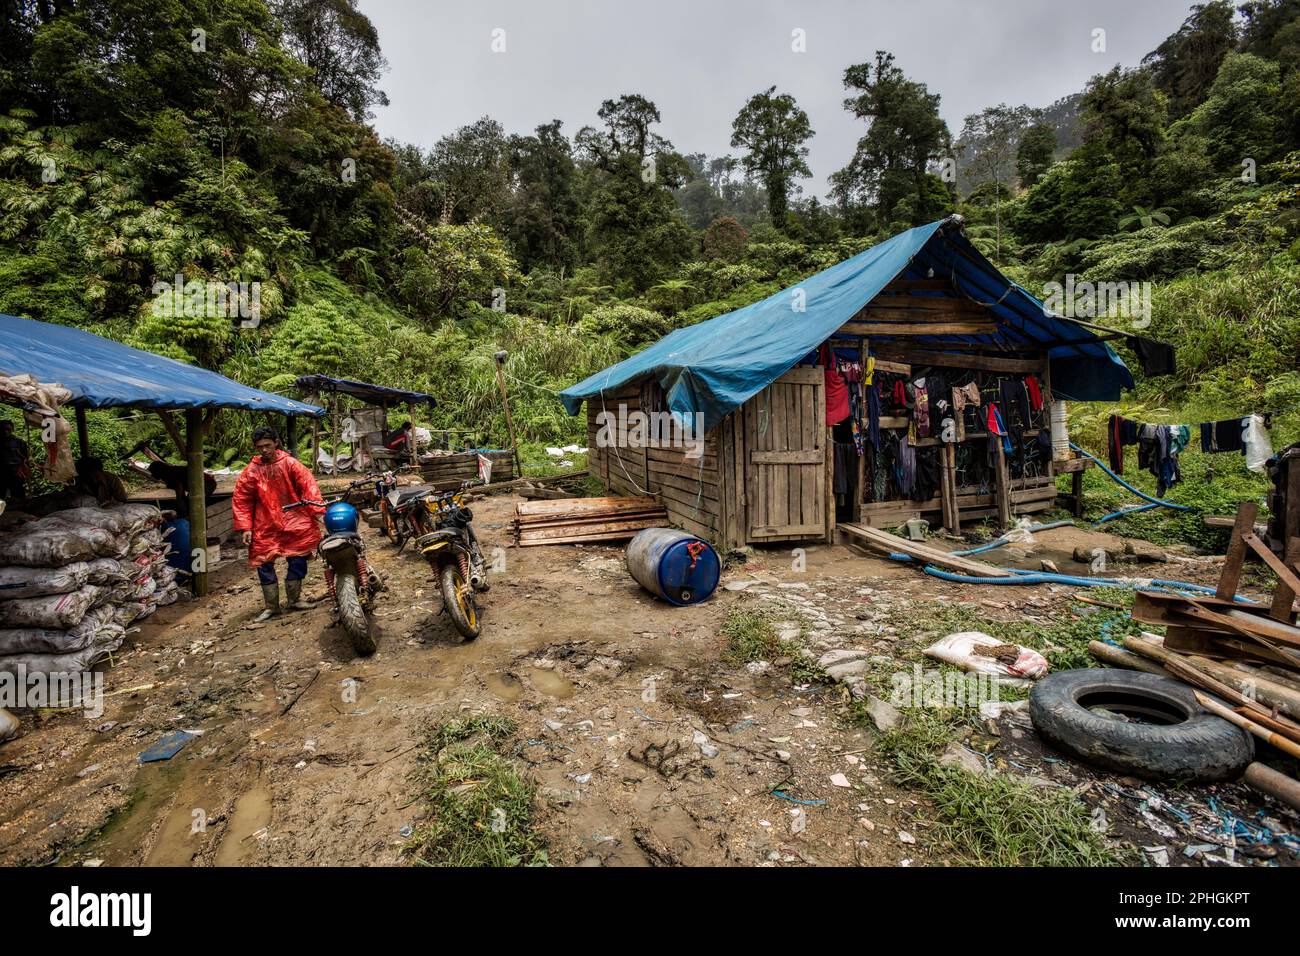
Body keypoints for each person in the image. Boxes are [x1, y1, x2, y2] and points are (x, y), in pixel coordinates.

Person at [231, 426, 324, 622]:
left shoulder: (291, 464)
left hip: (296, 519)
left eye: (267, 445)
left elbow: (309, 487)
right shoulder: (251, 471)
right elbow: (242, 499)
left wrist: (317, 513)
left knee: (297, 558)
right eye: (259, 447)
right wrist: (246, 527)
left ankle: (294, 599)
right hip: (265, 523)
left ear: (275, 443)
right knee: (263, 563)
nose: (264, 450)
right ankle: (271, 606)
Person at [126, 441, 217, 512]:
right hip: (200, 484)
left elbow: (179, 487)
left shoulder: (170, 474)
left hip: (207, 484)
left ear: (159, 472)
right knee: (190, 504)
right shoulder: (171, 471)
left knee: (195, 505)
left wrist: (179, 502)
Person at [0, 421, 30, 503]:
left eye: (8, 429)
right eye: (3, 429)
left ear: (12, 429)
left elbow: (25, 458)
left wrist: (24, 470)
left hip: (16, 473)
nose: (5, 432)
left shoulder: (19, 442)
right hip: (2, 474)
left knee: (18, 496)